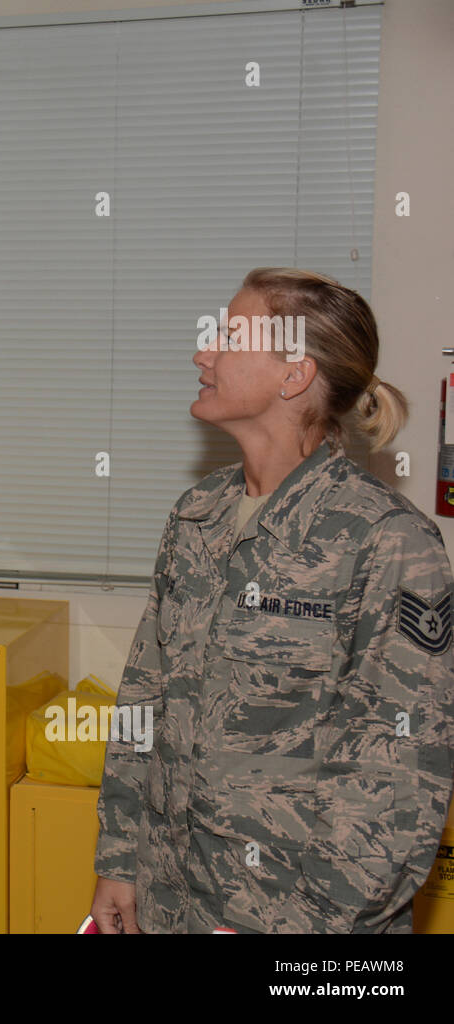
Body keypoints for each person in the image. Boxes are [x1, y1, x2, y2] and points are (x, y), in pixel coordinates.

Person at [91, 268, 454, 933]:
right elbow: (145, 698)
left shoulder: (387, 544)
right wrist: (120, 859)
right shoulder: (196, 517)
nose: (204, 353)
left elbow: (396, 781)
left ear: (293, 376)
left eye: (229, 337)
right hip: (174, 904)